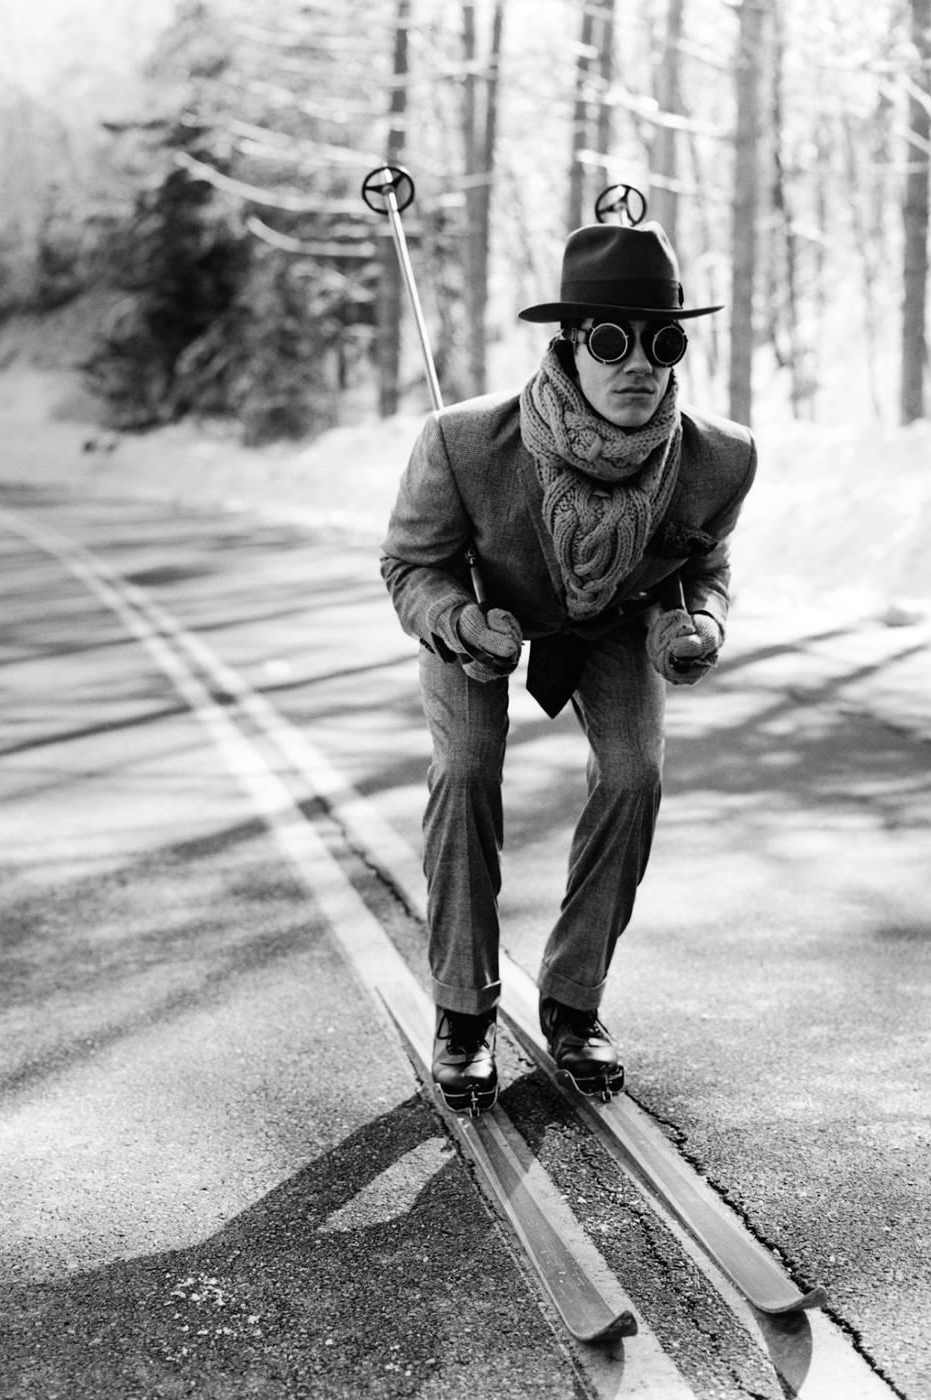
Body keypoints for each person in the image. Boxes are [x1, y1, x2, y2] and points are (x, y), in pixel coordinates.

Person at [380, 220, 756, 1115]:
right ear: (569, 348)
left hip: (619, 620)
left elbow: (705, 564)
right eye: (611, 341)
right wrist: (458, 619)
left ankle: (574, 999)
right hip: (483, 618)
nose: (639, 365)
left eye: (661, 342)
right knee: (468, 767)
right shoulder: (462, 444)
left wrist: (698, 621)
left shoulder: (720, 457)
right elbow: (409, 566)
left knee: (634, 774)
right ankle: (463, 1011)